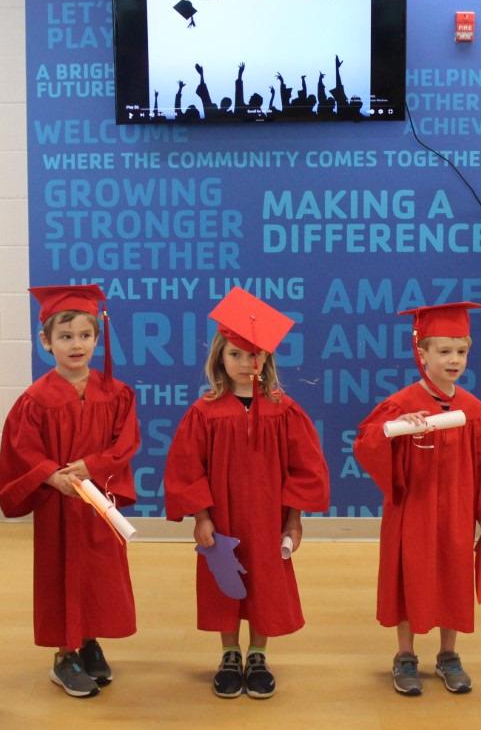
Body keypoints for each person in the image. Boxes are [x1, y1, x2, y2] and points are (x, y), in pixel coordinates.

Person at [164, 288, 330, 699]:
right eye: (235, 354)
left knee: (264, 582)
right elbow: (187, 468)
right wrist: (202, 517)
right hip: (222, 517)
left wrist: (294, 520)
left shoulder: (283, 410)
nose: (245, 363)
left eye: (254, 355)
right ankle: (229, 654)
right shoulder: (205, 412)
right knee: (225, 581)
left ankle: (257, 653)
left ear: (267, 359)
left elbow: (304, 468)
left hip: (269, 518)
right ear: (220, 356)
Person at [353, 301, 481, 697]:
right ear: (421, 353)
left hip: (456, 513)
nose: (454, 359)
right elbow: (366, 443)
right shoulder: (401, 405)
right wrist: (396, 430)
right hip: (412, 511)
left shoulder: (474, 411)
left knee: (453, 577)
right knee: (409, 577)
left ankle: (448, 655)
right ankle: (405, 655)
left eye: (461, 351)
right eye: (444, 351)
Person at [0, 285, 139, 698]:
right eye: (65, 336)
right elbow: (21, 449)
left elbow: (125, 442)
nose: (76, 344)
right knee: (63, 574)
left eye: (84, 335)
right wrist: (50, 475)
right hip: (59, 507)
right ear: (46, 341)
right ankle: (64, 655)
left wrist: (93, 466)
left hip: (98, 504)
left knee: (99, 574)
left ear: (97, 337)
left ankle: (89, 639)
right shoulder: (35, 400)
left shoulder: (116, 393)